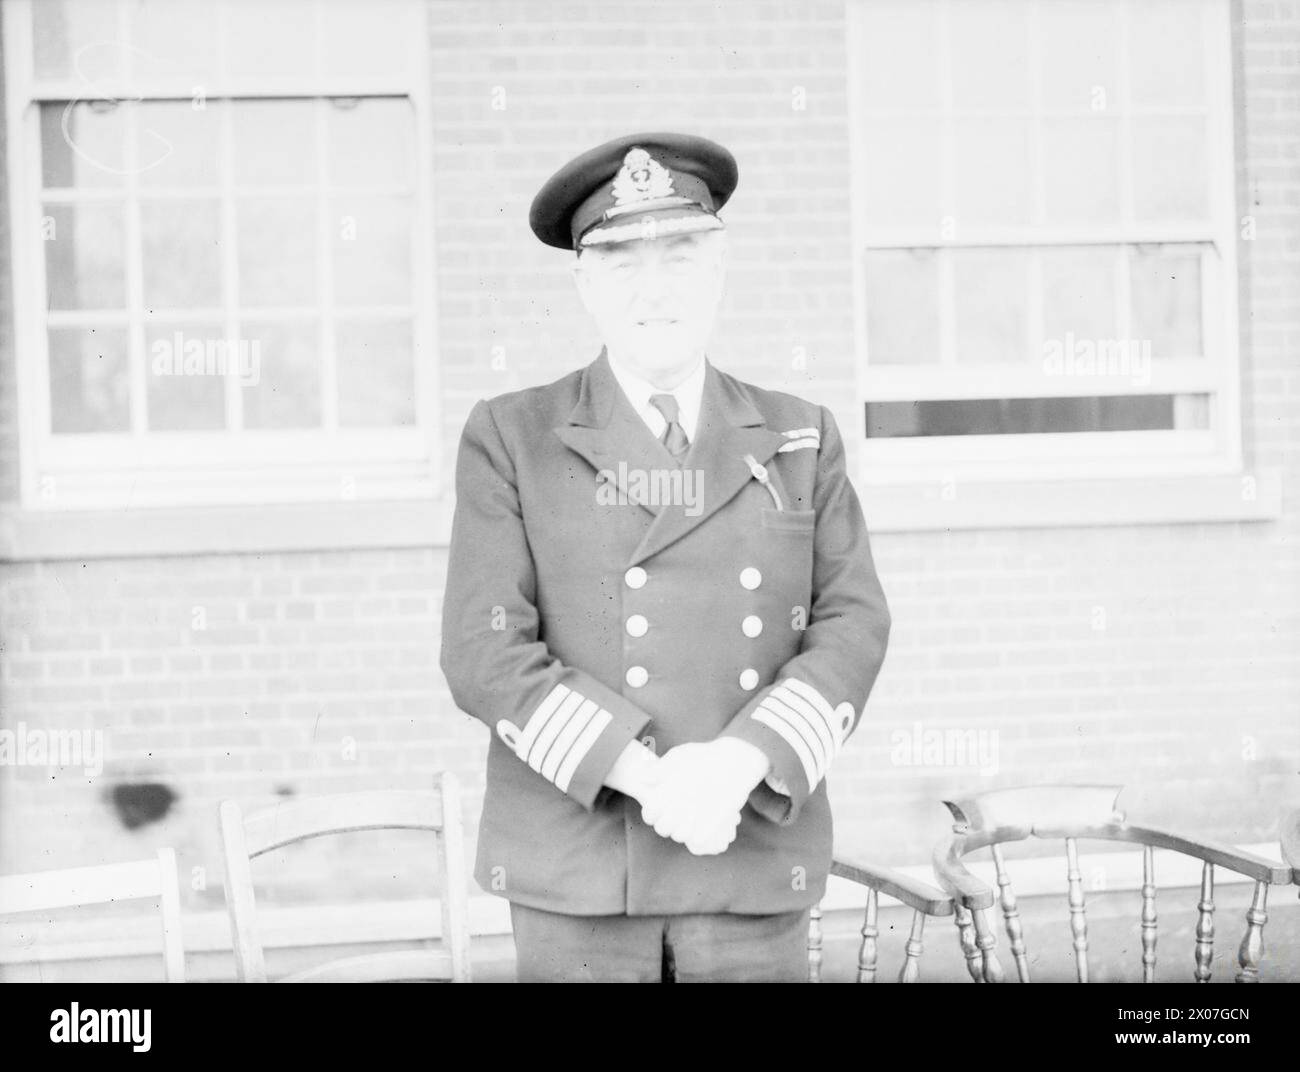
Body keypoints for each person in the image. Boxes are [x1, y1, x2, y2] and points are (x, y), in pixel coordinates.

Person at [440, 132, 891, 982]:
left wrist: (737, 763)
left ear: (718, 269)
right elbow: (481, 649)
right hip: (580, 870)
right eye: (620, 263)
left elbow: (853, 620)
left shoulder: (799, 434)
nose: (655, 290)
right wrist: (652, 782)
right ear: (583, 282)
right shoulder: (512, 435)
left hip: (751, 848)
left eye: (680, 256)